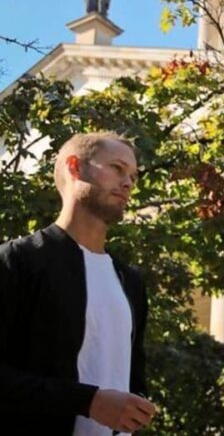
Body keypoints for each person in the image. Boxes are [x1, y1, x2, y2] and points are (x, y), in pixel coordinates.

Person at [0, 131, 156, 435]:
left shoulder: (131, 282)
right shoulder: (17, 261)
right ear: (75, 167)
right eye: (116, 168)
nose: (128, 183)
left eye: (133, 176)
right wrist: (88, 401)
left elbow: (133, 380)